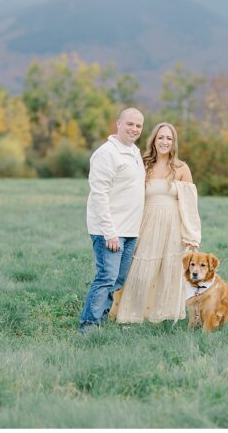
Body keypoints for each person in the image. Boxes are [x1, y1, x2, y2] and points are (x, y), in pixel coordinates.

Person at [112, 122, 201, 324]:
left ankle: (162, 316)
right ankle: (131, 315)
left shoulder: (181, 168)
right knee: (140, 271)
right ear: (154, 140)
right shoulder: (143, 164)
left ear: (174, 142)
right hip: (146, 223)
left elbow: (189, 205)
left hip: (173, 226)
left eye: (169, 138)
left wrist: (191, 235)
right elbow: (129, 194)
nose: (164, 142)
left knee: (168, 271)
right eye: (161, 137)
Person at [79, 107, 146, 332]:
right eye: (130, 124)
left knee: (118, 279)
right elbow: (99, 194)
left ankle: (102, 320)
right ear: (118, 123)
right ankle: (88, 326)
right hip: (110, 230)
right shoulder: (106, 153)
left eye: (138, 125)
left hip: (130, 230)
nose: (134, 129)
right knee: (106, 277)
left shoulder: (135, 152)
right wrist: (110, 232)